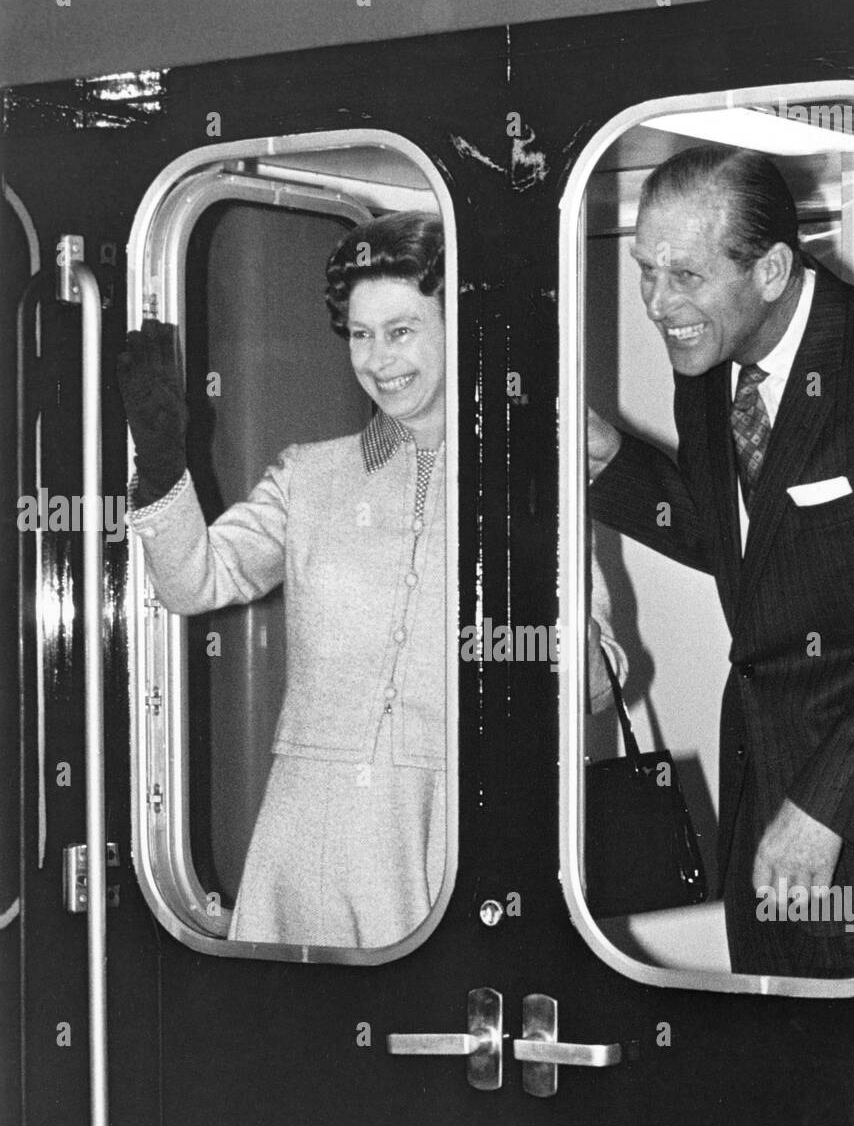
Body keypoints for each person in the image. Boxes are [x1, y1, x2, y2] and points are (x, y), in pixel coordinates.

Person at [120, 210, 623, 949]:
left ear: (459, 326)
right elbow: (196, 583)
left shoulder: (528, 477)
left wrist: (534, 530)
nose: (379, 359)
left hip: (452, 824)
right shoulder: (308, 474)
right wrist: (162, 463)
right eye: (360, 334)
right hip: (304, 829)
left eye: (401, 330)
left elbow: (601, 681)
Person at [588, 146, 854, 979]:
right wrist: (609, 465)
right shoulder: (707, 364)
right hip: (758, 795)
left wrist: (823, 808)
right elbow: (750, 545)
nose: (658, 305)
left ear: (772, 268)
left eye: (685, 276)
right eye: (644, 271)